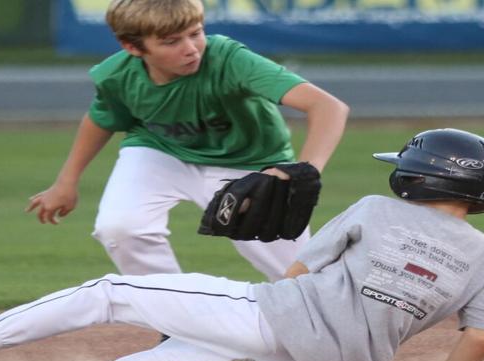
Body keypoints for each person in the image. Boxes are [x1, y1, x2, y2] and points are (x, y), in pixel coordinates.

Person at [0, 128, 484, 361]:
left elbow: (298, 272)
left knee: (110, 290)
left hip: (273, 320)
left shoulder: (375, 208)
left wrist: (260, 306)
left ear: (418, 176)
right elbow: (478, 338)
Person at [25, 0, 350, 283]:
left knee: (296, 274)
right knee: (120, 228)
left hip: (249, 162)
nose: (191, 48)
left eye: (195, 33)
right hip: (159, 150)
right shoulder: (117, 76)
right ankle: (175, 320)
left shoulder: (228, 58)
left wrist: (303, 171)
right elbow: (102, 120)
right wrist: (66, 182)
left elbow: (329, 107)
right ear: (133, 47)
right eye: (171, 41)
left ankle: (327, 336)